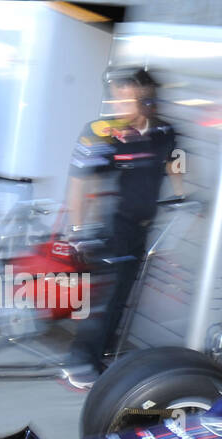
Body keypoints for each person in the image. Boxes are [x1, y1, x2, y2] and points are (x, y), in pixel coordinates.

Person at [64, 68, 183, 380]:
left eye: (126, 97)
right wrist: (77, 230)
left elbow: (173, 162)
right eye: (116, 97)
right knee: (105, 298)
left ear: (145, 99)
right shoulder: (101, 132)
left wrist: (184, 196)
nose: (118, 104)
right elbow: (80, 183)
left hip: (142, 227)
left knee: (120, 297)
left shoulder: (164, 132)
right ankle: (80, 364)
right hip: (112, 225)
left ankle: (99, 357)